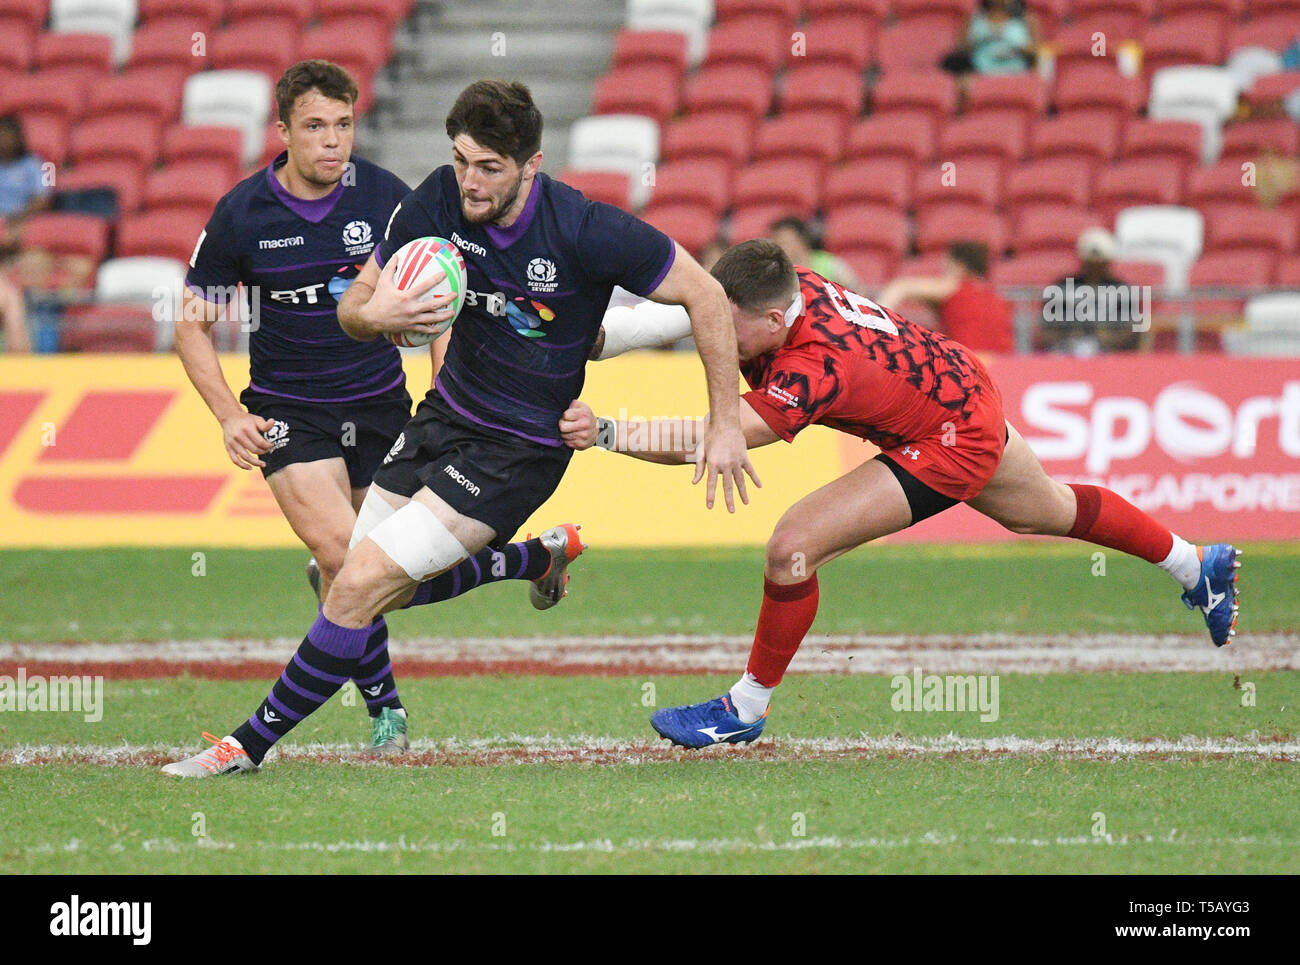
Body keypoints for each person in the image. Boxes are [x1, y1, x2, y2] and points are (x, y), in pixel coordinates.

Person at [161, 78, 753, 776]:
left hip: (519, 451)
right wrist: (380, 317)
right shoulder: (438, 198)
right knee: (352, 580)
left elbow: (707, 295)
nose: (469, 181)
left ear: (531, 165)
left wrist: (724, 424)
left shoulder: (586, 229)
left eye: (490, 168)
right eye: (462, 160)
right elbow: (355, 306)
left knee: (354, 585)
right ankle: (533, 559)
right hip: (441, 419)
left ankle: (243, 747)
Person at [573, 240, 1240, 747]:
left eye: (734, 325)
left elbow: (716, 438)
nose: (718, 334)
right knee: (1050, 509)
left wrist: (603, 429)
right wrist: (594, 339)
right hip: (956, 384)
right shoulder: (784, 293)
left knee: (792, 546)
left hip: (951, 432)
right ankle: (1194, 563)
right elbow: (697, 312)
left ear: (775, 320)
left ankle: (744, 708)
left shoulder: (814, 365)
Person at [169, 62, 583, 765]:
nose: (332, 142)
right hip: (289, 413)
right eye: (314, 127)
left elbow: (443, 302)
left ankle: (533, 556)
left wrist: (450, 390)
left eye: (343, 125)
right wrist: (224, 416)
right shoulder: (243, 212)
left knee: (376, 571)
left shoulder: (387, 197)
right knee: (344, 559)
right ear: (283, 132)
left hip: (386, 408)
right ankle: (388, 703)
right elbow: (190, 323)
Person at [877, 241, 1015, 353]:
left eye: (946, 266)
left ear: (959, 266)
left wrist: (875, 325)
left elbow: (901, 287)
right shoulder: (996, 297)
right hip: (1002, 366)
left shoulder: (954, 287)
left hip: (969, 368)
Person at [1040, 226, 1140, 355]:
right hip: (1066, 353)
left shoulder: (1122, 290)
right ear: (1082, 261)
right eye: (1090, 265)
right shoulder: (1062, 287)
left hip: (1110, 354)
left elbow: (1131, 330)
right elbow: (1046, 330)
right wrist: (1068, 338)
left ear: (1108, 263)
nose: (1095, 270)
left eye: (1100, 265)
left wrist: (1108, 340)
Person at [941, 0, 1036, 76]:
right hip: (978, 70)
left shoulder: (1028, 20)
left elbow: (1037, 52)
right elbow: (960, 49)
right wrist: (982, 39)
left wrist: (1019, 48)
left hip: (1016, 70)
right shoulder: (973, 18)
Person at [768, 216, 860, 289]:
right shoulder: (777, 273)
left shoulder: (829, 264)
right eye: (776, 242)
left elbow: (856, 291)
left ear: (800, 240)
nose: (779, 247)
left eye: (784, 241)